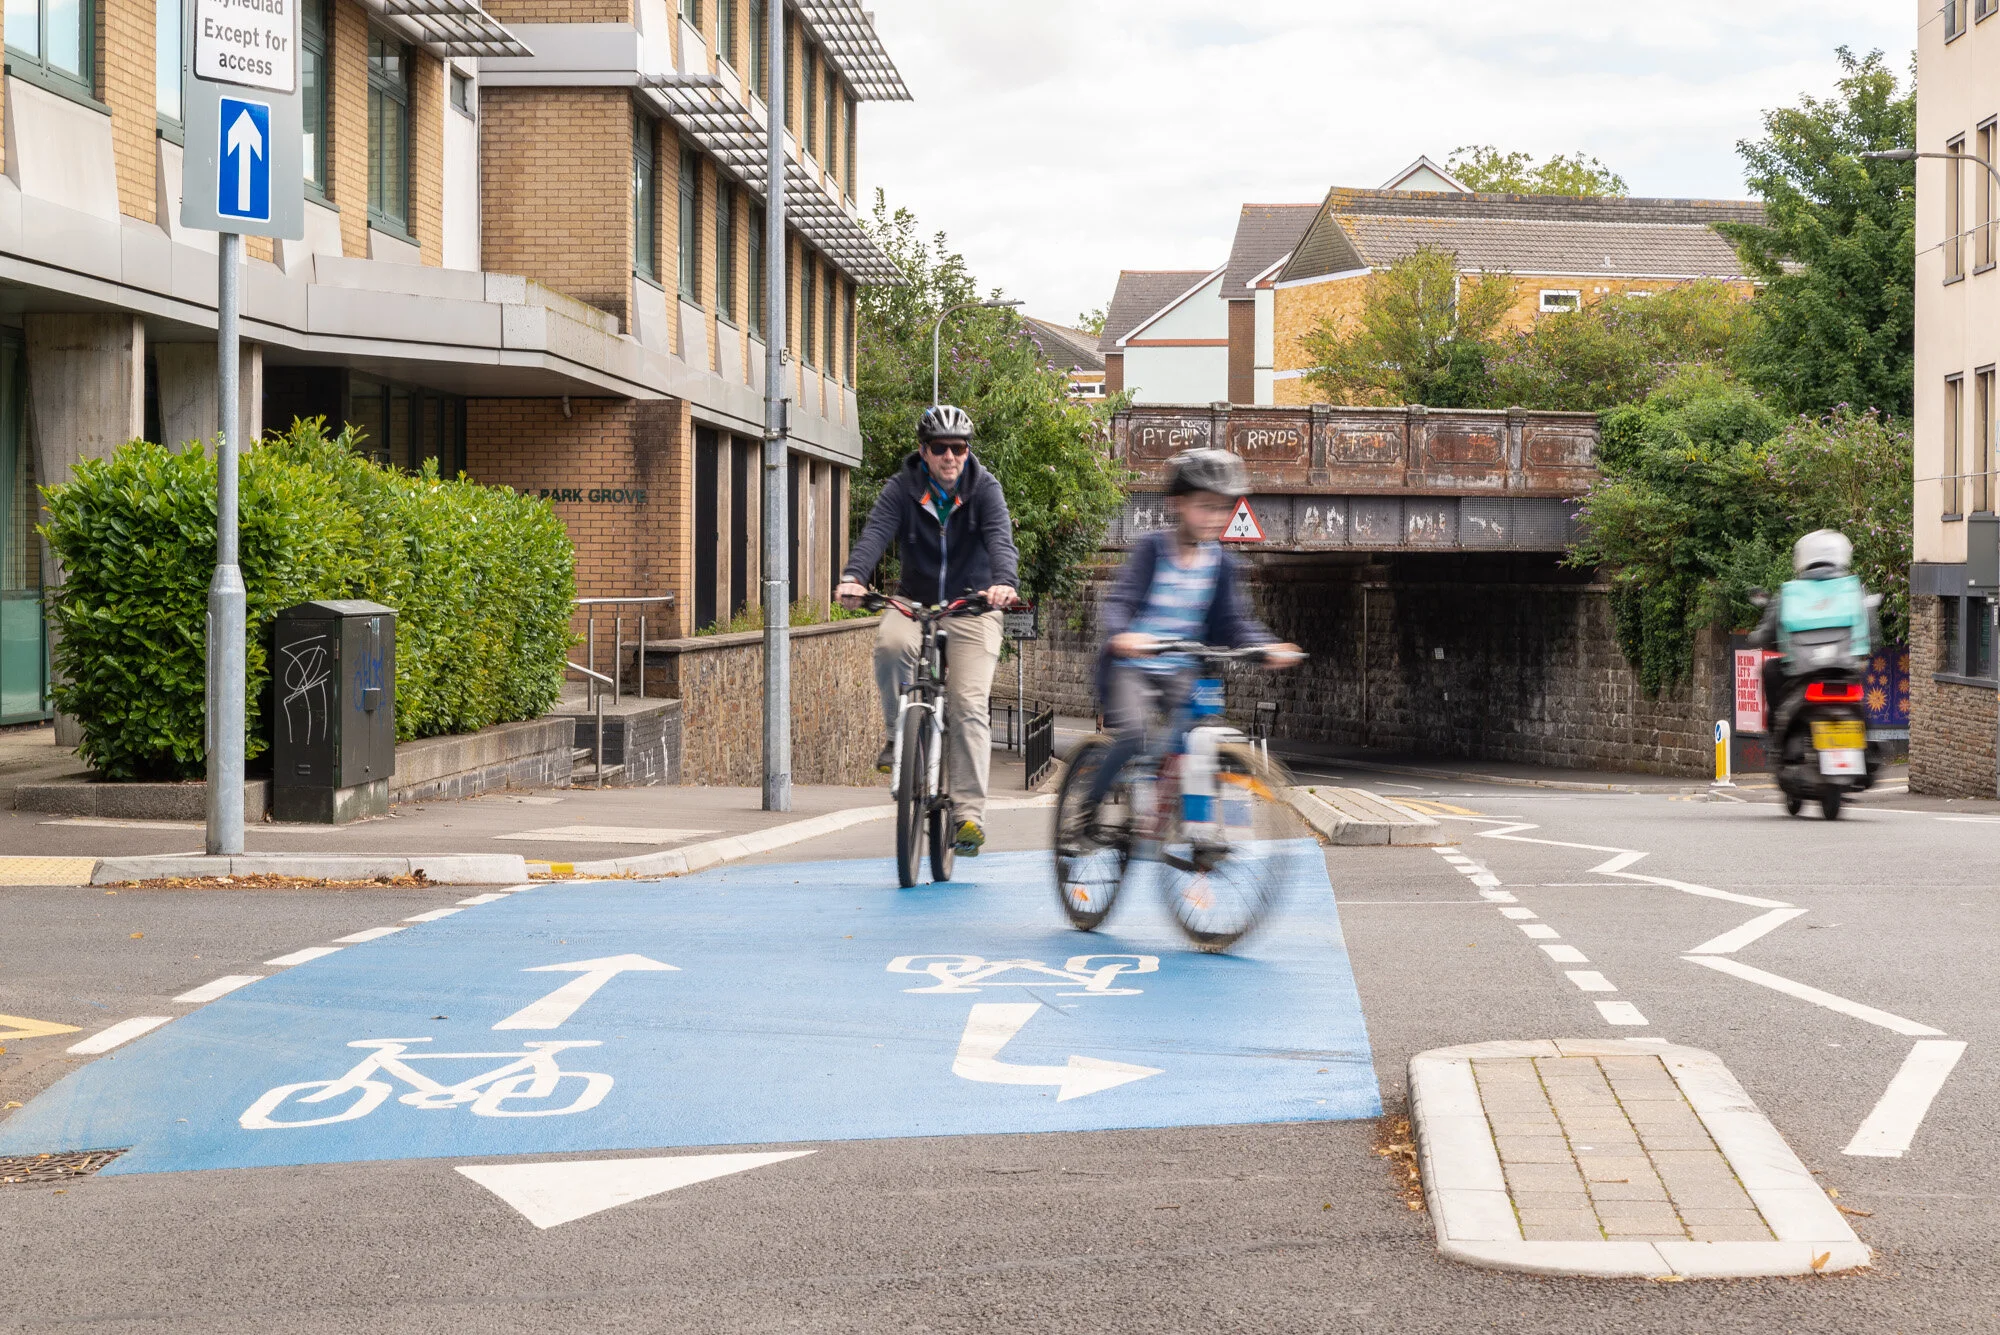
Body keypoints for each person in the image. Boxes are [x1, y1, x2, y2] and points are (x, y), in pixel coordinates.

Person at [836, 404, 1020, 856]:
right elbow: (876, 533)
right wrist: (855, 576)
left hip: (973, 606)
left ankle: (969, 816)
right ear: (924, 451)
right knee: (889, 644)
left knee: (968, 704)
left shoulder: (985, 489)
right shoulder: (902, 487)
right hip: (915, 603)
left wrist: (1003, 584)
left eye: (959, 448)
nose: (951, 456)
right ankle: (898, 735)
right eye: (941, 448)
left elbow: (1000, 539)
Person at [1081, 448, 1301, 821]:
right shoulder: (1152, 549)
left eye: (1222, 508)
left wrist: (1265, 645)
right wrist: (1124, 637)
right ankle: (1088, 809)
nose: (1214, 517)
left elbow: (1233, 623)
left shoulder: (1222, 563)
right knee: (1134, 733)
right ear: (1177, 503)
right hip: (1133, 666)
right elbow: (1120, 601)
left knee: (1200, 740)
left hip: (1182, 672)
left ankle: (1195, 840)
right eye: (1205, 506)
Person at [1749, 529, 1876, 734]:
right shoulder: (1853, 589)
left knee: (1770, 669)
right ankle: (1868, 740)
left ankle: (1775, 733)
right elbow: (1873, 632)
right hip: (1845, 670)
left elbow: (1765, 634)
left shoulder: (1789, 593)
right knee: (1859, 689)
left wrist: (1755, 638)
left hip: (1802, 673)